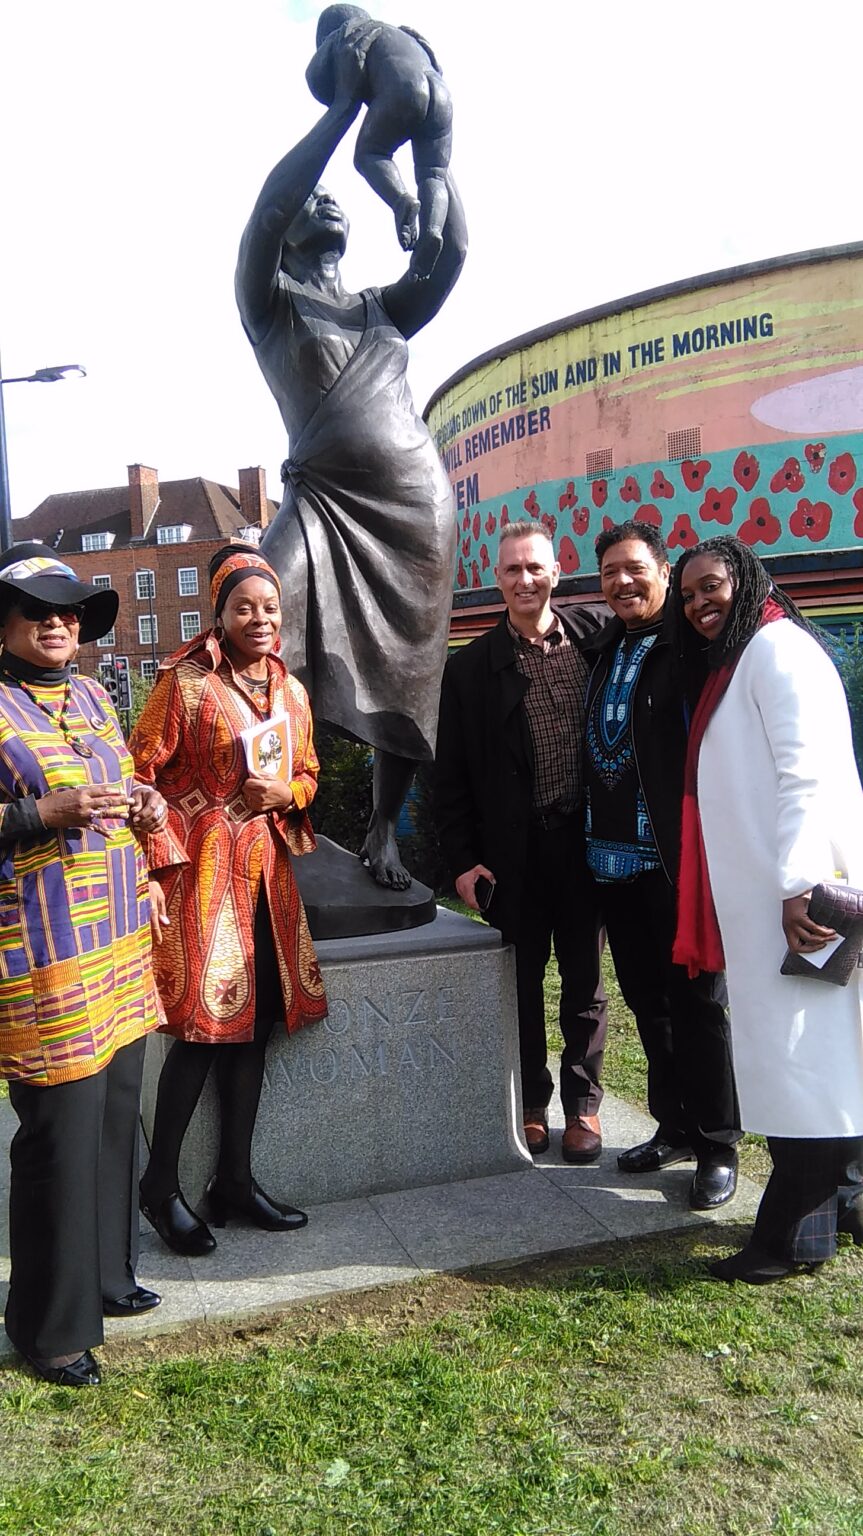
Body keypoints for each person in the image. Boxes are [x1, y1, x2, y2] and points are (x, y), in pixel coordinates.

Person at [235, 47, 467, 890]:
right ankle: (270, 813)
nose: (325, 197)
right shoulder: (269, 304)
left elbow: (451, 255)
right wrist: (340, 112)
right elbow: (267, 211)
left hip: (412, 506)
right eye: (314, 198)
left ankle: (380, 833)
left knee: (409, 681)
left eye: (337, 194)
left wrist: (431, 162)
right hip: (321, 499)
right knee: (258, 629)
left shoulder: (383, 310)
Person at [670, 535, 863, 1282]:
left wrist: (797, 883)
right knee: (818, 1051)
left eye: (710, 586)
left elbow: (805, 774)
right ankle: (842, 1204)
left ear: (745, 581)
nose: (697, 603)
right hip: (774, 898)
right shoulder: (747, 655)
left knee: (801, 1057)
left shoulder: (776, 650)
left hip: (797, 902)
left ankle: (789, 1238)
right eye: (686, 596)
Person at [0, 543, 167, 1387]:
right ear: (5, 623)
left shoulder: (97, 694)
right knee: (60, 1138)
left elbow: (126, 787)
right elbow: (30, 813)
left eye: (69, 612)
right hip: (43, 955)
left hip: (118, 943)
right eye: (39, 610)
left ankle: (106, 1277)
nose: (59, 623)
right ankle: (48, 1327)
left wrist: (145, 801)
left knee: (112, 1119)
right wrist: (39, 811)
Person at [132, 547, 327, 1258]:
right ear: (219, 612)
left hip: (269, 880)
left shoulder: (291, 691)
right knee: (200, 1033)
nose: (259, 618)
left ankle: (234, 1182)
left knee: (256, 1028)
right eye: (244, 606)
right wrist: (157, 861)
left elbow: (306, 770)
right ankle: (159, 1186)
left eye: (269, 607)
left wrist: (292, 793)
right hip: (204, 874)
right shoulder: (182, 684)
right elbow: (138, 777)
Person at [434, 523, 608, 1164]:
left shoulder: (596, 642)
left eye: (535, 567)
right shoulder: (470, 671)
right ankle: (533, 1105)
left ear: (557, 572)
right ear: (496, 579)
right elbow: (447, 778)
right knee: (525, 982)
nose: (524, 579)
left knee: (585, 982)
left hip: (585, 846)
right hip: (514, 855)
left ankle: (583, 1108)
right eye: (511, 570)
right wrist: (460, 862)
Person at [583, 520, 739, 1210]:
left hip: (678, 865)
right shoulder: (602, 648)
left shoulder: (689, 652)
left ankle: (716, 1143)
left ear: (662, 570)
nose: (622, 581)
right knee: (648, 1005)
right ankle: (671, 1125)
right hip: (612, 865)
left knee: (698, 1005)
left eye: (634, 568)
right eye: (609, 571)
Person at [306, 5, 452, 278]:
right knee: (434, 173)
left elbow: (317, 78)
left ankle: (401, 201)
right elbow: (435, 62)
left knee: (369, 154)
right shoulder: (404, 33)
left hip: (403, 90)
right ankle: (432, 229)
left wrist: (345, 97)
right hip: (441, 93)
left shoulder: (350, 35)